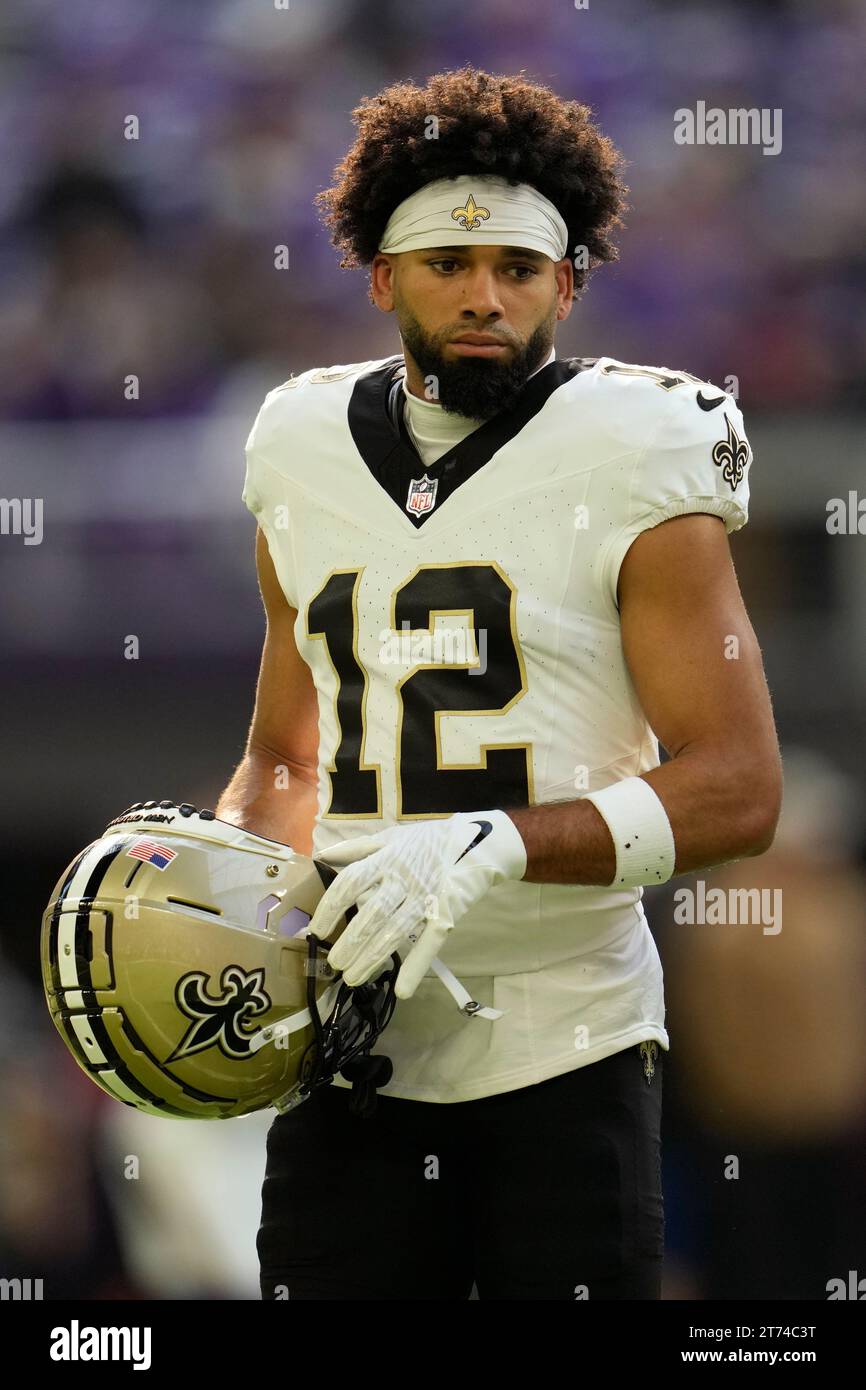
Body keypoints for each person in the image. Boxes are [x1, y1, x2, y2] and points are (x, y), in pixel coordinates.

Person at [215, 65, 782, 1300]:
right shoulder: (298, 444)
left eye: (518, 270)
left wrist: (490, 844)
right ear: (379, 276)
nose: (485, 298)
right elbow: (283, 758)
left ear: (565, 284)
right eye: (447, 265)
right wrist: (220, 893)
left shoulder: (637, 446)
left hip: (565, 1043)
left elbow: (738, 790)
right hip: (349, 1047)